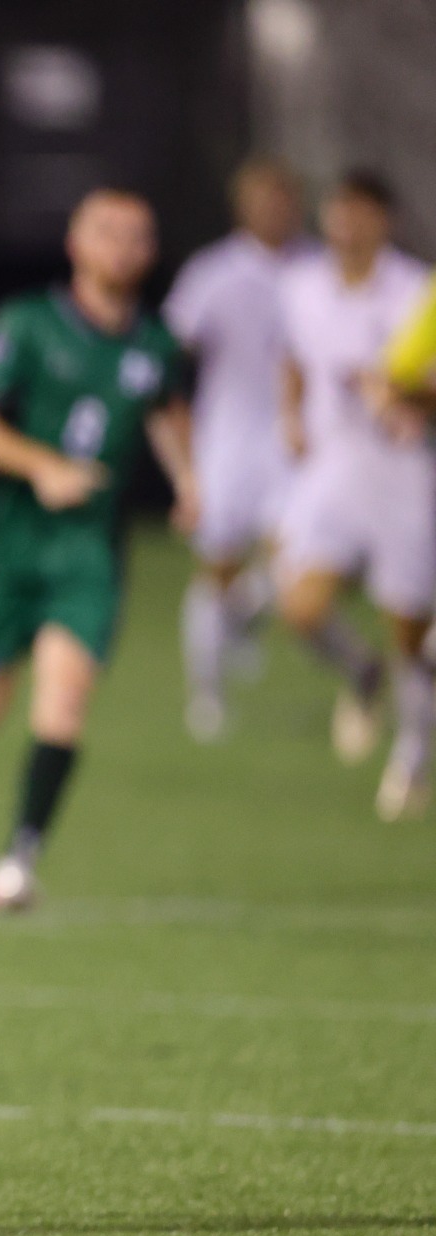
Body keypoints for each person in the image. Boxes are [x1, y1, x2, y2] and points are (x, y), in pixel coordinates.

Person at [0, 188, 197, 909]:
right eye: (108, 231)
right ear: (76, 244)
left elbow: (169, 411)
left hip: (90, 551)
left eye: (139, 235)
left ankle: (19, 858)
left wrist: (188, 479)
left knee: (66, 693)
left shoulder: (155, 342)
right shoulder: (26, 323)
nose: (124, 245)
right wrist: (41, 466)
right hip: (14, 540)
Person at [275, 170, 432, 821]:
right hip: (334, 465)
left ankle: (414, 752)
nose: (347, 224)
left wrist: (398, 394)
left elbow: (418, 387)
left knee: (410, 633)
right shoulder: (302, 285)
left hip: (403, 472)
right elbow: (293, 356)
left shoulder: (416, 290)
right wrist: (290, 415)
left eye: (361, 212)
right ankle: (358, 672)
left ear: (383, 220)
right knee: (300, 604)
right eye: (339, 210)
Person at [164, 161, 313, 741]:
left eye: (285, 200)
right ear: (243, 207)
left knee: (299, 564)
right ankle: (206, 696)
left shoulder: (316, 268)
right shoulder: (212, 272)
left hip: (297, 444)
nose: (277, 211)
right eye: (264, 201)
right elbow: (171, 349)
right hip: (226, 438)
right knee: (217, 569)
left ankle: (247, 617)